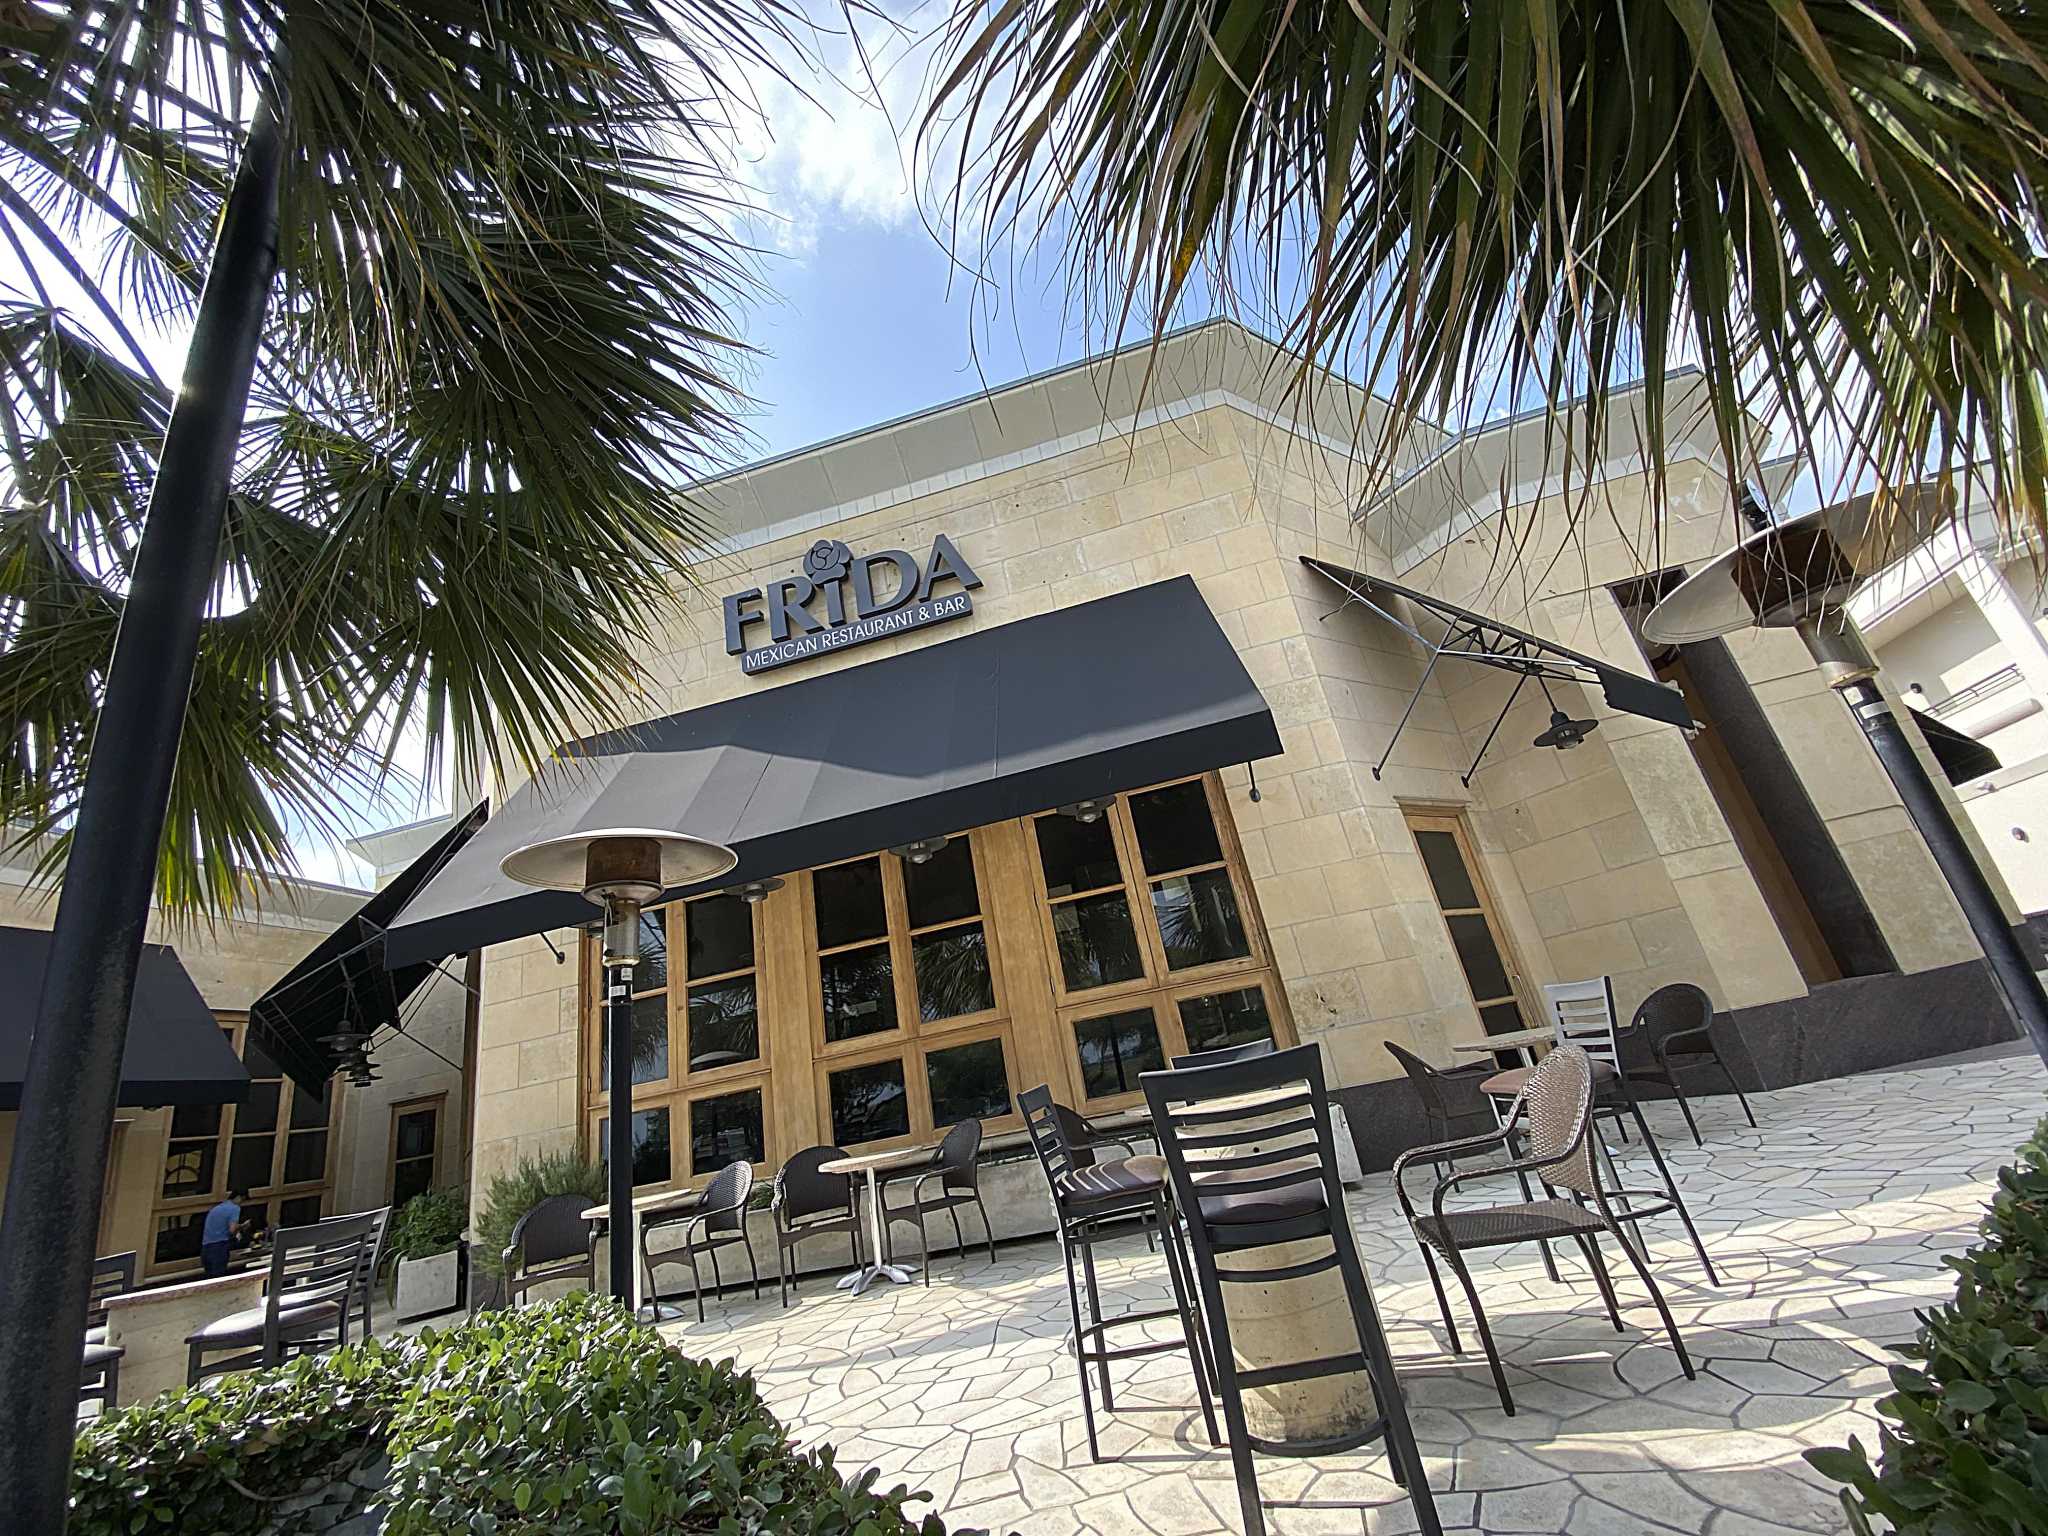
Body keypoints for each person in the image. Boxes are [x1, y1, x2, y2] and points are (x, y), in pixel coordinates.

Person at [200, 1189, 249, 1278]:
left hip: (206, 1247)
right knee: (219, 1278)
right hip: (219, 1247)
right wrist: (243, 1226)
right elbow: (232, 1229)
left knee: (209, 1279)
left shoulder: (217, 1208)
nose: (241, 1203)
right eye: (242, 1200)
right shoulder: (235, 1208)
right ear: (238, 1197)